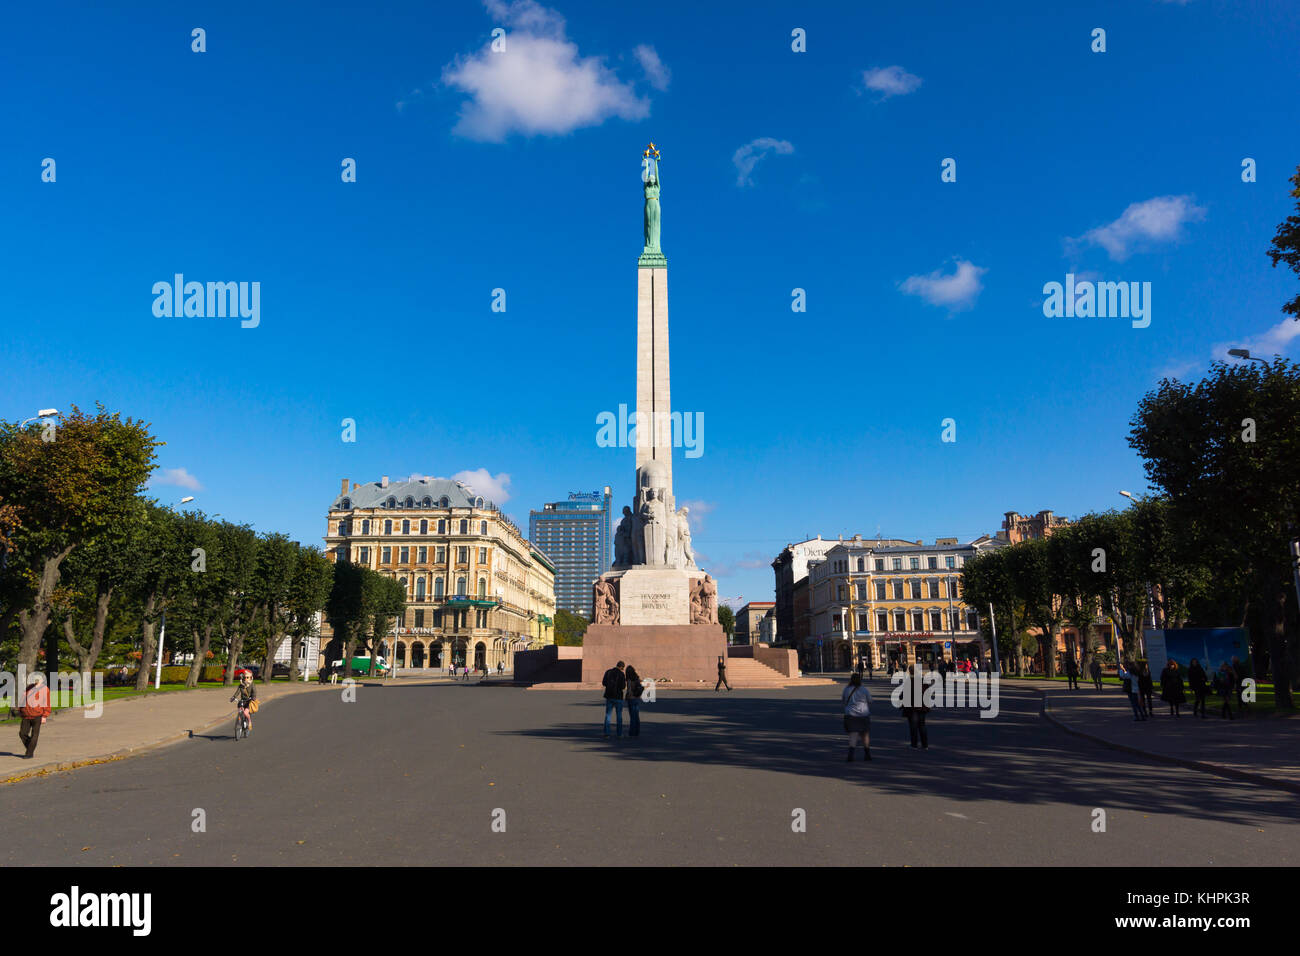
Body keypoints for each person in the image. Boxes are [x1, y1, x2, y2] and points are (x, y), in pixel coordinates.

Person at [17, 673, 51, 759]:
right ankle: (30, 748)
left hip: (37, 715)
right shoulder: (28, 687)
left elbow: (47, 703)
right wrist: (20, 710)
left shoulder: (44, 689)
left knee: (34, 735)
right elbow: (22, 700)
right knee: (22, 733)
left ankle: (29, 753)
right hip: (26, 715)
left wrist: (44, 716)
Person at [841, 672, 872, 761]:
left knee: (853, 735)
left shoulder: (846, 689)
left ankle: (851, 754)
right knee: (865, 734)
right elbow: (870, 700)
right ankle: (867, 754)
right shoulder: (864, 690)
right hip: (863, 714)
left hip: (850, 714)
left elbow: (843, 700)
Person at [901, 664, 929, 750]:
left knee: (913, 726)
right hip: (922, 706)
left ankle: (914, 744)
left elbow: (903, 694)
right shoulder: (923, 680)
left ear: (910, 671)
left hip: (912, 707)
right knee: (922, 725)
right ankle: (925, 745)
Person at [602, 661, 626, 737]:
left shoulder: (608, 672)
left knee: (608, 715)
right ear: (621, 667)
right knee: (619, 716)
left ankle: (607, 733)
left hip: (609, 696)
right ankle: (619, 734)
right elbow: (623, 687)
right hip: (618, 697)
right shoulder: (621, 674)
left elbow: (604, 683)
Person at [230, 671, 257, 736]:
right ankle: (239, 722)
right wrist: (233, 697)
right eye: (245, 677)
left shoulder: (252, 684)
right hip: (242, 700)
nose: (246, 678)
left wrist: (253, 697)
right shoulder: (241, 685)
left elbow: (254, 692)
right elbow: (237, 692)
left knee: (245, 713)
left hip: (249, 701)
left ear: (250, 678)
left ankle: (249, 721)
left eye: (248, 677)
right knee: (240, 711)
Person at [625, 665, 643, 737]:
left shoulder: (629, 679)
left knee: (632, 717)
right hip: (636, 698)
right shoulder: (637, 678)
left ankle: (632, 733)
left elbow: (629, 690)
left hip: (631, 699)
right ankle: (637, 732)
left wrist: (627, 697)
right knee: (636, 716)